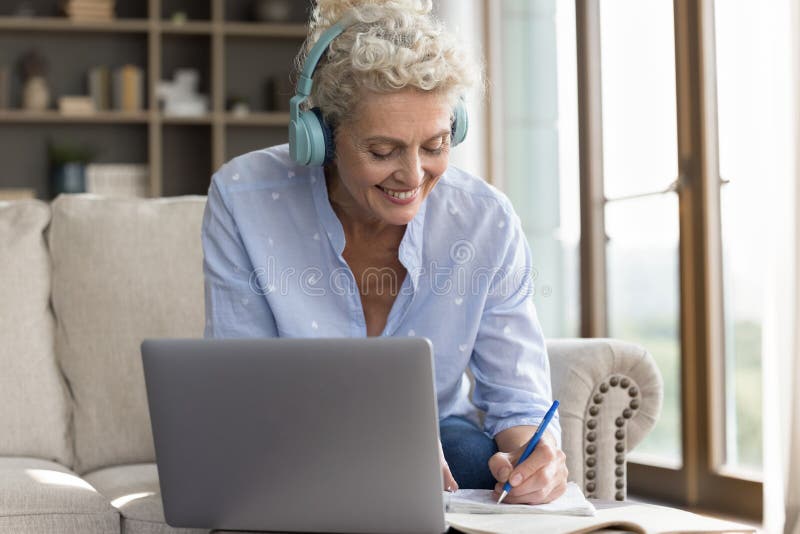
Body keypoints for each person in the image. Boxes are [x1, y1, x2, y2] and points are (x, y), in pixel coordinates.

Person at [201, 0, 568, 505]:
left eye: (436, 145)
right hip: (292, 434)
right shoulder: (244, 198)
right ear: (323, 138)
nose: (414, 177)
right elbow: (242, 386)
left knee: (470, 464)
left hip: (439, 437)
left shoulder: (486, 220)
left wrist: (534, 457)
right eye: (382, 151)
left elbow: (517, 398)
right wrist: (368, 436)